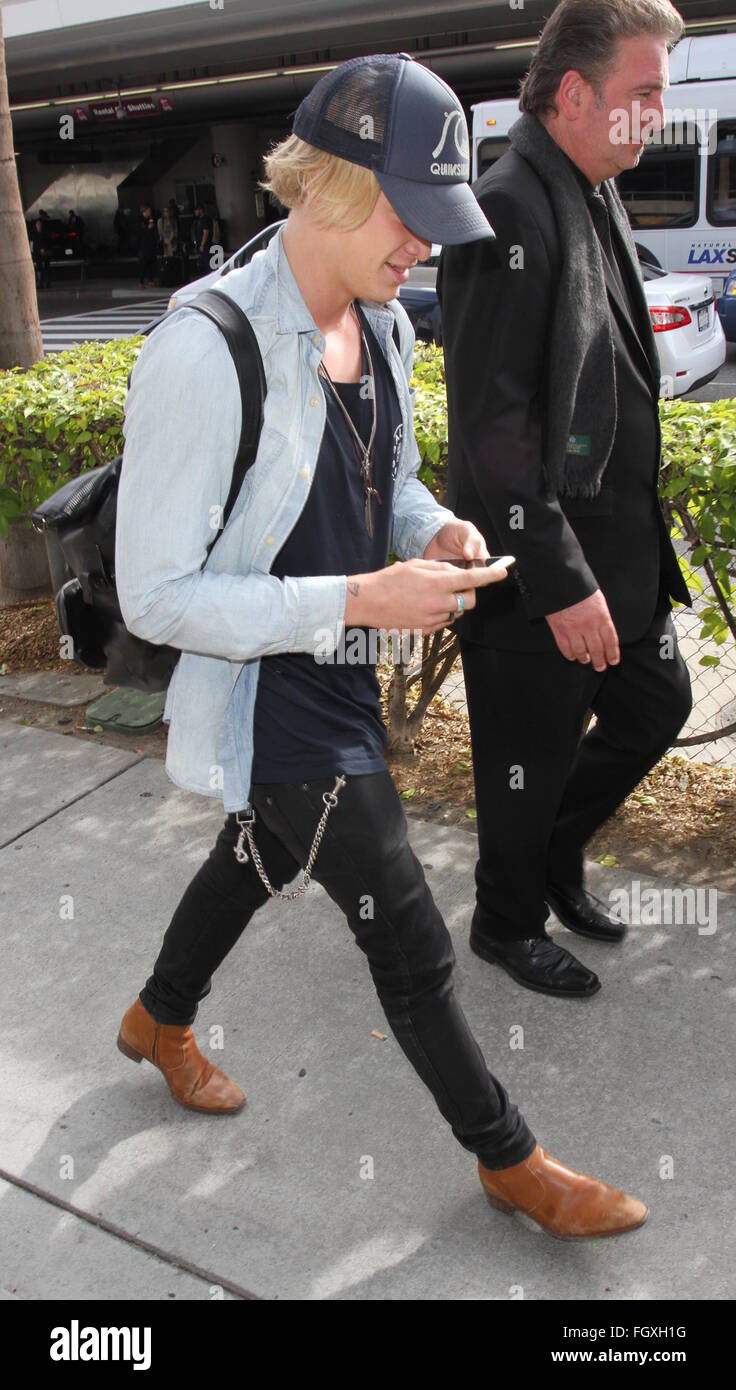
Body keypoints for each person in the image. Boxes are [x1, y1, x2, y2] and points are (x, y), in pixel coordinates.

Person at [114, 52, 648, 1239]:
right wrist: (359, 598)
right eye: (414, 217)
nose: (429, 249)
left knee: (255, 860)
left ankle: (158, 1015)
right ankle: (509, 1158)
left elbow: (383, 480)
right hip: (278, 696)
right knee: (404, 927)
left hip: (343, 673)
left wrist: (434, 527)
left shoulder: (383, 322)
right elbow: (153, 594)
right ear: (330, 185)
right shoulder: (204, 352)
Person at [437, 0, 693, 1000]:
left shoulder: (589, 187)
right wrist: (559, 584)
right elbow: (492, 435)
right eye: (644, 95)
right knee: (524, 762)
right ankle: (504, 924)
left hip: (618, 557)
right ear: (574, 93)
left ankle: (551, 859)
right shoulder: (508, 205)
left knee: (657, 704)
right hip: (540, 574)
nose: (654, 119)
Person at [137, 203, 159, 287]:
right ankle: (141, 281)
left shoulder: (150, 219)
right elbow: (140, 233)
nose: (150, 212)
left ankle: (151, 279)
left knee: (151, 263)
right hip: (144, 245)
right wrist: (148, 228)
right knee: (144, 263)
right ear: (145, 211)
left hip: (151, 244)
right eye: (149, 210)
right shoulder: (140, 220)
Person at [29, 216, 52, 288]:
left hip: (46, 252)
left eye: (39, 224)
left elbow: (49, 242)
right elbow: (32, 244)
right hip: (37, 253)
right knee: (39, 267)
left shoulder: (45, 233)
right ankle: (40, 282)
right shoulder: (33, 234)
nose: (38, 226)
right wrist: (34, 251)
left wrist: (45, 250)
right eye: (37, 224)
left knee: (47, 267)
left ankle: (47, 282)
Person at [191, 203, 213, 275]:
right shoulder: (198, 220)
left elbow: (205, 232)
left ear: (200, 210)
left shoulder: (205, 219)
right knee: (204, 262)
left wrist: (202, 244)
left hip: (206, 245)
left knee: (207, 262)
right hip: (201, 244)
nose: (195, 212)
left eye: (196, 210)